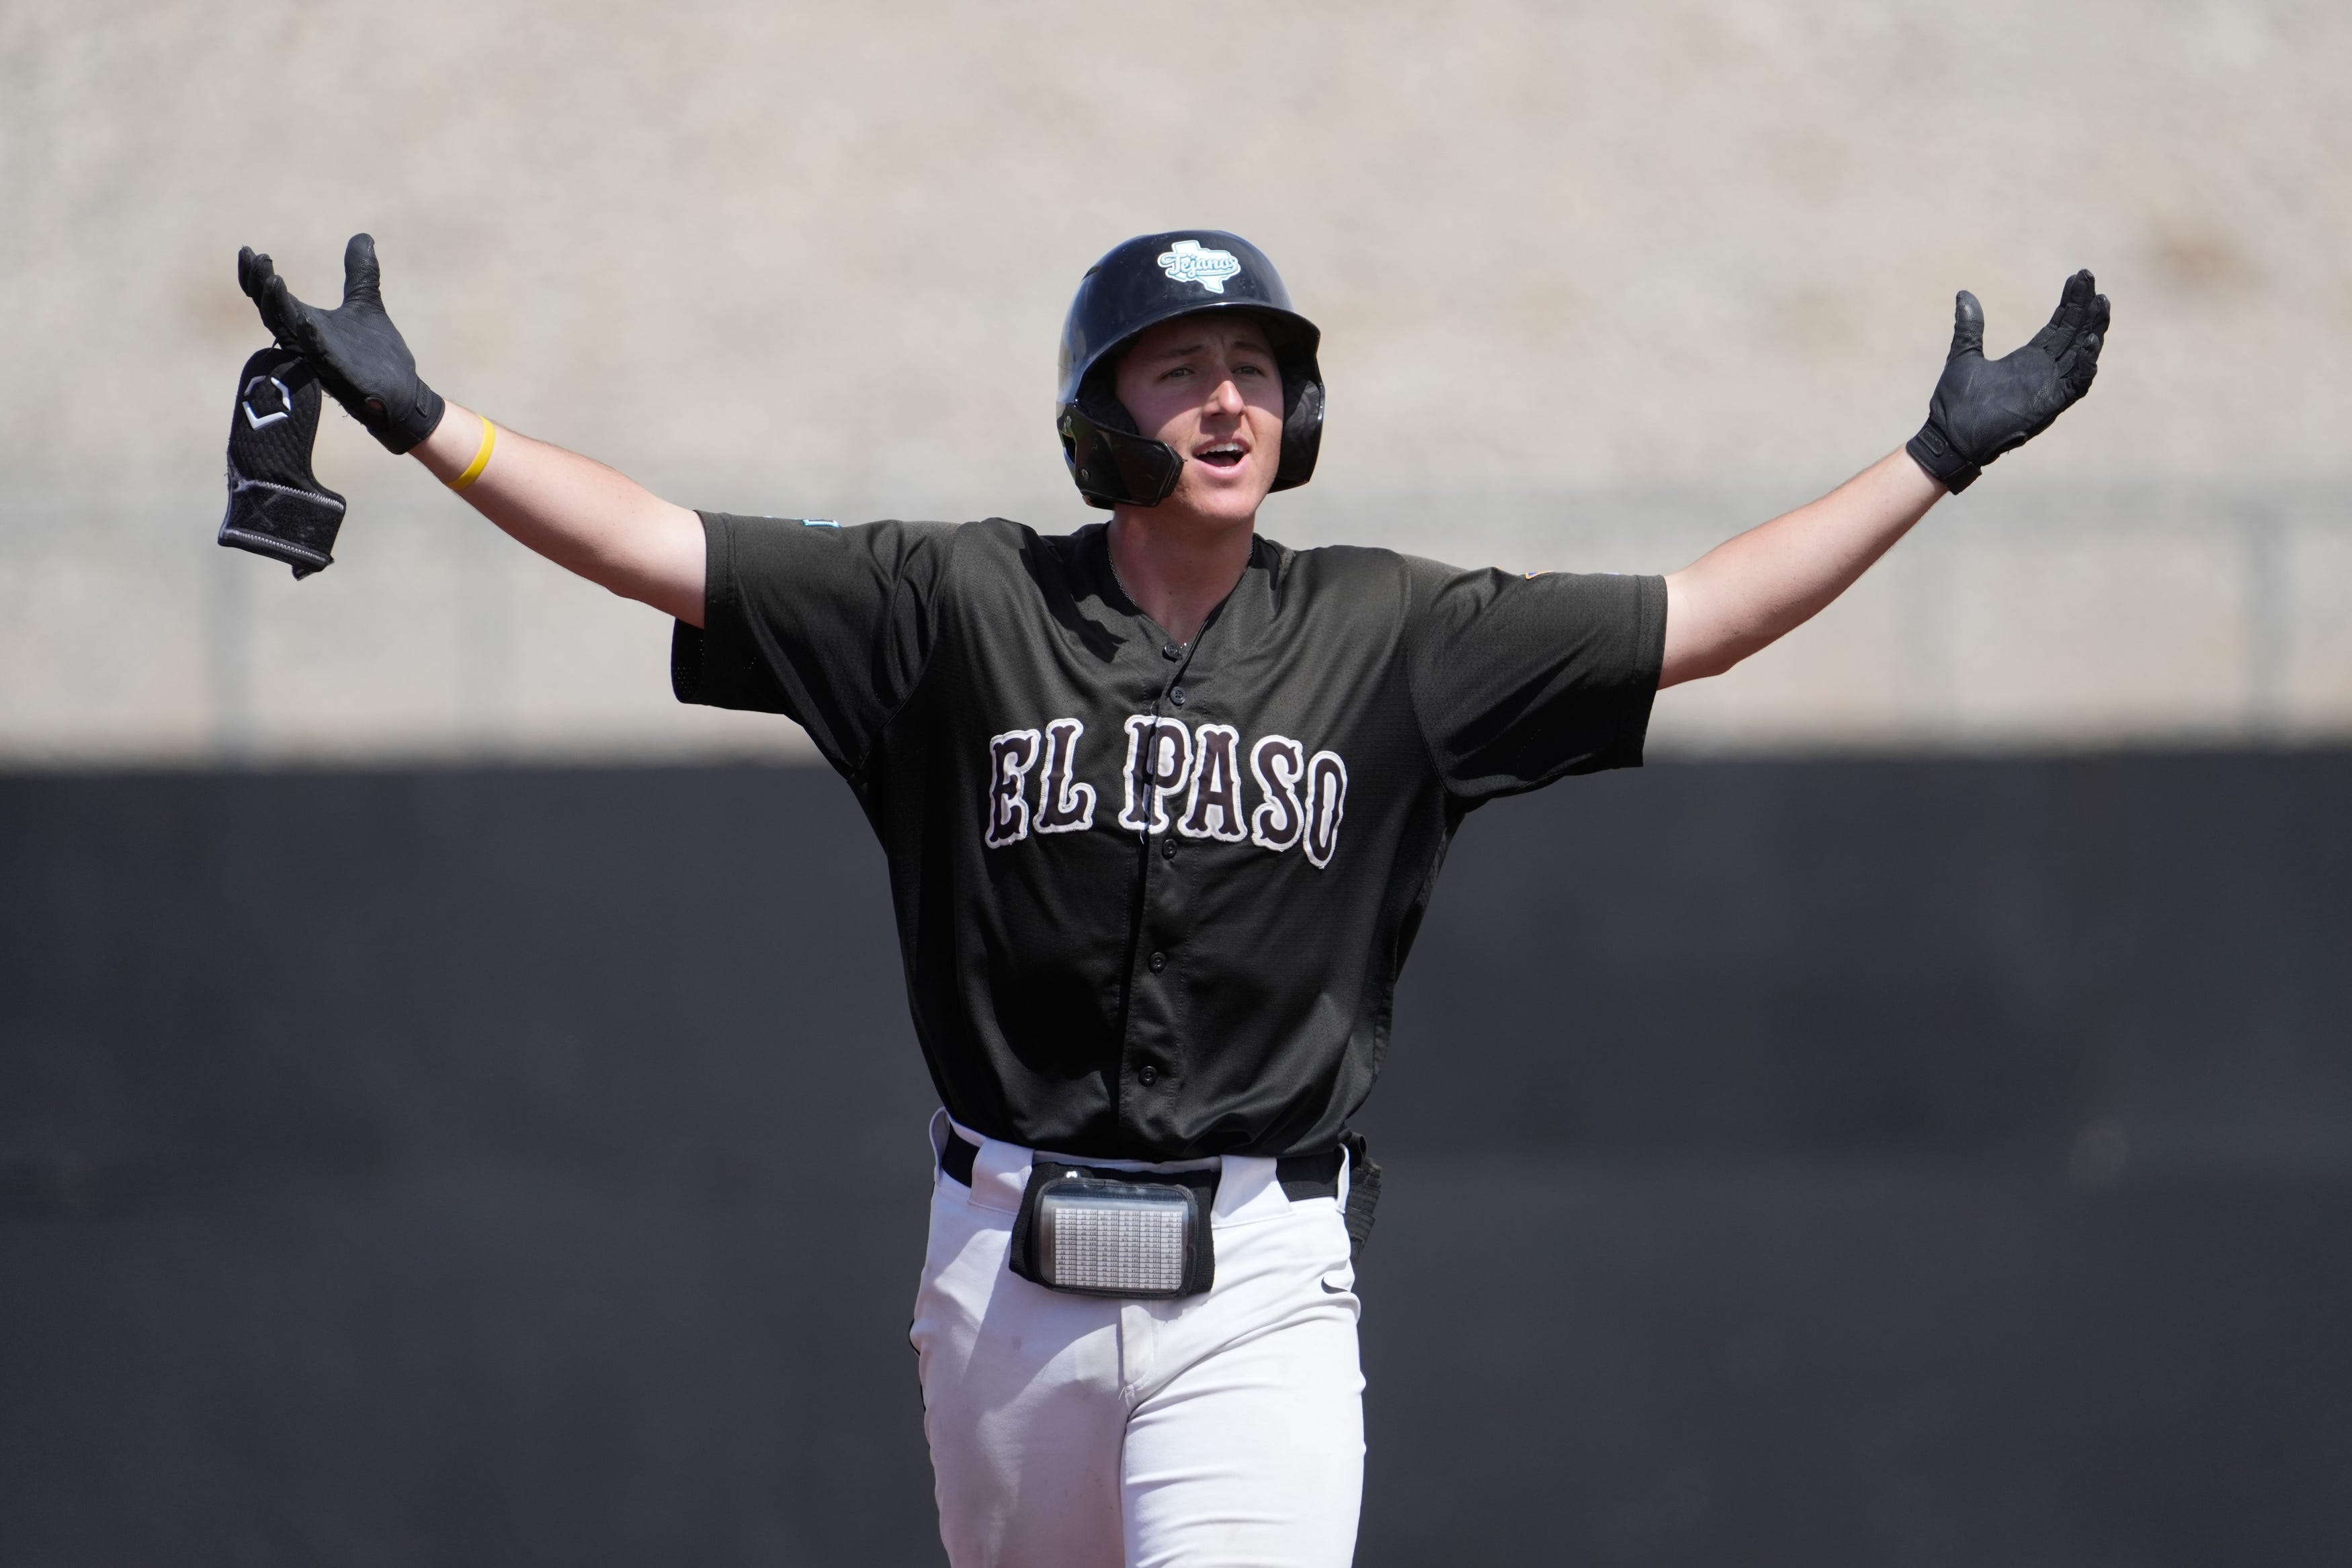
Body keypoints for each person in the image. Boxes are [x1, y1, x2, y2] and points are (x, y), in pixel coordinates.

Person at [234, 228, 2107, 1567]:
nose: (1228, 399)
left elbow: (1697, 619)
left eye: (1256, 373)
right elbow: (667, 548)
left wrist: (1933, 459)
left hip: (1261, 1282)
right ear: (1094, 418)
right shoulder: (950, 606)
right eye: (1178, 369)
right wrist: (429, 426)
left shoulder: (1394, 634)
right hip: (999, 1277)